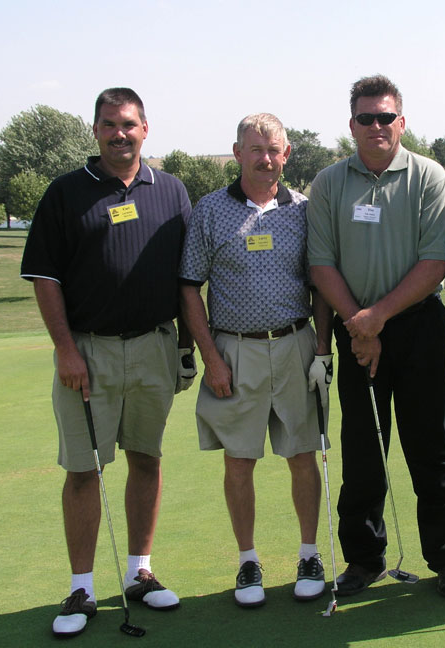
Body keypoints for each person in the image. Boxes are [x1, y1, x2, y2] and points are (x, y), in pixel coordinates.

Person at [21, 88, 195, 637]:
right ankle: (82, 587)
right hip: (87, 352)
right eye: (108, 125)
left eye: (128, 124)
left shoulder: (170, 190)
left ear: (146, 129)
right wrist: (66, 350)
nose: (119, 134)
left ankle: (139, 572)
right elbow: (45, 276)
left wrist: (187, 347)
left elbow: (187, 280)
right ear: (94, 131)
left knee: (147, 458)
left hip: (153, 346)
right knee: (83, 470)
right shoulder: (66, 192)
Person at [307, 74, 445, 599]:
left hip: (417, 325)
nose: (376, 127)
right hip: (354, 329)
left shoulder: (427, 175)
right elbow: (321, 263)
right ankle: (363, 559)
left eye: (385, 117)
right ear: (351, 124)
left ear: (401, 121)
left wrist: (374, 318)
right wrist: (359, 323)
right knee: (362, 451)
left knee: (431, 446)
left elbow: (435, 262)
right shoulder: (330, 183)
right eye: (365, 118)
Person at [178, 113, 334, 608]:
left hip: (295, 345)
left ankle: (308, 555)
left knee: (301, 455)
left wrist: (323, 352)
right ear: (237, 153)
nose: (266, 159)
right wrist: (211, 358)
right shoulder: (209, 211)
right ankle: (248, 561)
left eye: (274, 150)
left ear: (286, 154)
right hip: (234, 349)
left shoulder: (305, 211)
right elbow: (189, 286)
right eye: (255, 149)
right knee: (239, 459)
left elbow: (321, 284)